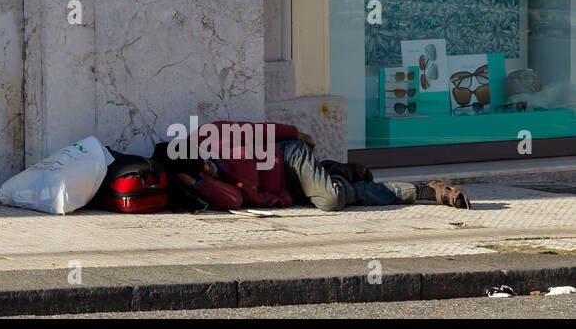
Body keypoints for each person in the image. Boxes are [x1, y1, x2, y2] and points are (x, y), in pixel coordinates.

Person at [169, 120, 471, 211]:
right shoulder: (202, 180)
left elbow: (257, 129)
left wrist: (294, 134)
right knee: (337, 191)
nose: (208, 167)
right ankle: (338, 173)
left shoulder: (210, 134)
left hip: (288, 157)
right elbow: (234, 199)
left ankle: (421, 191)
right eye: (201, 169)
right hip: (285, 191)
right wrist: (196, 181)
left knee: (332, 199)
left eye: (205, 161)